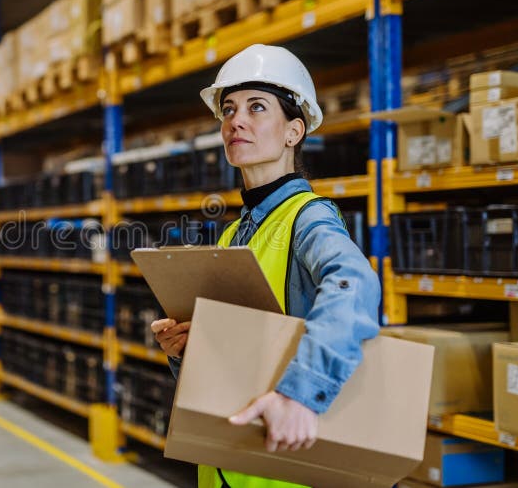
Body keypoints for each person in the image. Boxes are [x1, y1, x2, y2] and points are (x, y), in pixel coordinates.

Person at [150, 44, 381, 488]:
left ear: (294, 131)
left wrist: (302, 395)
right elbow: (237, 353)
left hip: (285, 468)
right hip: (228, 466)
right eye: (230, 109)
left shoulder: (308, 217)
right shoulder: (233, 235)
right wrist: (186, 351)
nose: (236, 121)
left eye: (257, 108)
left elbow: (356, 285)